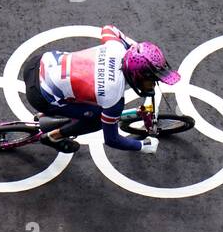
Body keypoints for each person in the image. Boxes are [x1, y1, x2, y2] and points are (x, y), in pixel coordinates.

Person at [22, 25, 178, 154]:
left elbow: (109, 29)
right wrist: (142, 146)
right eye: (150, 80)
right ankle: (53, 137)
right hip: (39, 96)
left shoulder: (116, 47)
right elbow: (111, 140)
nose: (152, 85)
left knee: (85, 90)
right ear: (136, 74)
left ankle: (52, 112)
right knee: (97, 120)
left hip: (37, 63)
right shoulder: (113, 97)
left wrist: (136, 49)